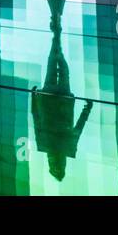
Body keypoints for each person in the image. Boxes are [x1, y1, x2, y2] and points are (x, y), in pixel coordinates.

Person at [31, 32, 93, 181]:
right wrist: (33, 98)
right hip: (53, 98)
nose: (56, 164)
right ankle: (57, 39)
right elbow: (36, 118)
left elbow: (36, 119)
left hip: (53, 98)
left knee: (57, 65)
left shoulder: (61, 147)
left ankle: (57, 39)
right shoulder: (49, 146)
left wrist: (87, 109)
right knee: (57, 65)